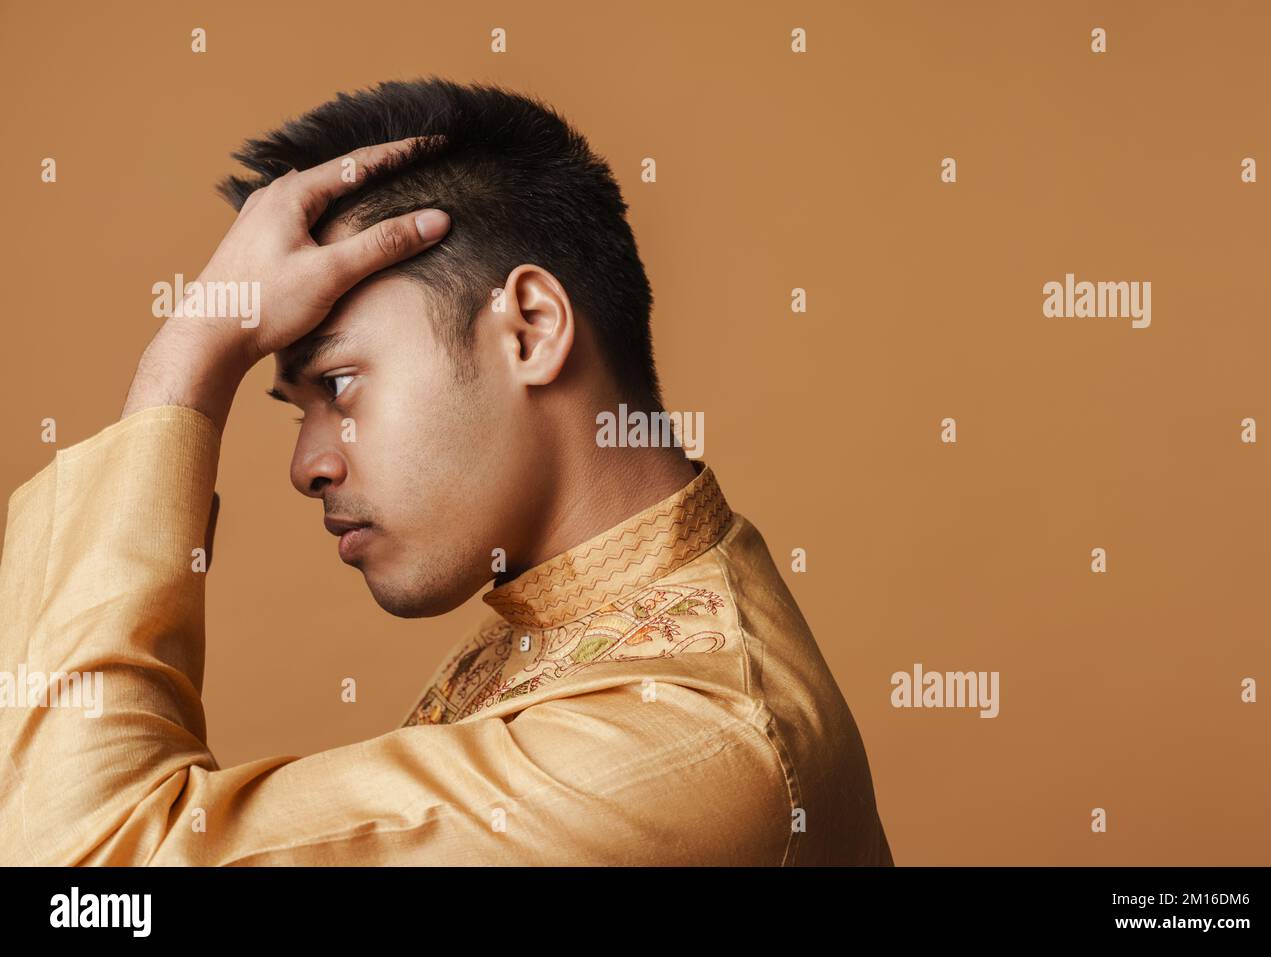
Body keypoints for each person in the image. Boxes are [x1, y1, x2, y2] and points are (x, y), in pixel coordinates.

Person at [0, 78, 892, 865]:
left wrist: (192, 351)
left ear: (530, 329)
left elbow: (88, 876)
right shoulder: (584, 621)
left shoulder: (682, 744)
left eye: (339, 382)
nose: (306, 465)